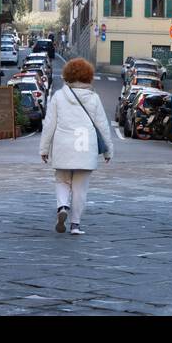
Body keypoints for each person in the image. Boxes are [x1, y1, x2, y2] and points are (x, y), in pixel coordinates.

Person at [39, 57, 113, 235]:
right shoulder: (94, 98)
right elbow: (103, 126)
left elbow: (49, 124)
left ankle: (62, 206)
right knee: (80, 189)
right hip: (86, 148)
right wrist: (108, 150)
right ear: (89, 77)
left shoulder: (58, 97)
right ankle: (75, 225)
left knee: (62, 180)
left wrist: (44, 148)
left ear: (67, 76)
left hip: (63, 147)